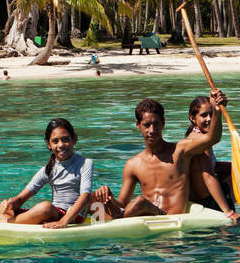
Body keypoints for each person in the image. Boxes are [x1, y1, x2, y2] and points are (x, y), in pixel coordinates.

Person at [93, 90, 228, 220]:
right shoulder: (133, 165)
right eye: (147, 125)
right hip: (146, 219)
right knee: (91, 199)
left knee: (140, 202)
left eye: (156, 124)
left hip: (170, 218)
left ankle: (116, 223)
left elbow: (212, 138)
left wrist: (217, 111)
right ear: (137, 125)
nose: (152, 130)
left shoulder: (180, 151)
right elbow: (121, 203)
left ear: (163, 123)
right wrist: (107, 197)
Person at [0, 118, 93, 229]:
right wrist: (10, 204)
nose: (61, 145)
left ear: (74, 140)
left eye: (65, 139)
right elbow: (22, 198)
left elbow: (85, 196)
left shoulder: (85, 163)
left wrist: (63, 221)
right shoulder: (48, 169)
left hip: (70, 216)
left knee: (45, 207)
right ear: (48, 144)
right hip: (52, 214)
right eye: (55, 141)